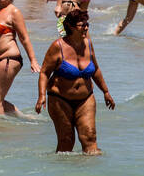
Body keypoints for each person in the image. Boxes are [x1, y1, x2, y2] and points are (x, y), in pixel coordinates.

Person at [34, 9, 114, 155]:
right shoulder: (57, 47)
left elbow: (95, 70)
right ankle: (63, 175)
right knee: (66, 141)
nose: (86, 28)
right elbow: (45, 72)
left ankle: (90, 174)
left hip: (86, 99)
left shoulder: (88, 44)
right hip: (60, 99)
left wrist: (106, 92)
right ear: (71, 27)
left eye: (87, 24)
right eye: (82, 25)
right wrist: (41, 96)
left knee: (90, 137)